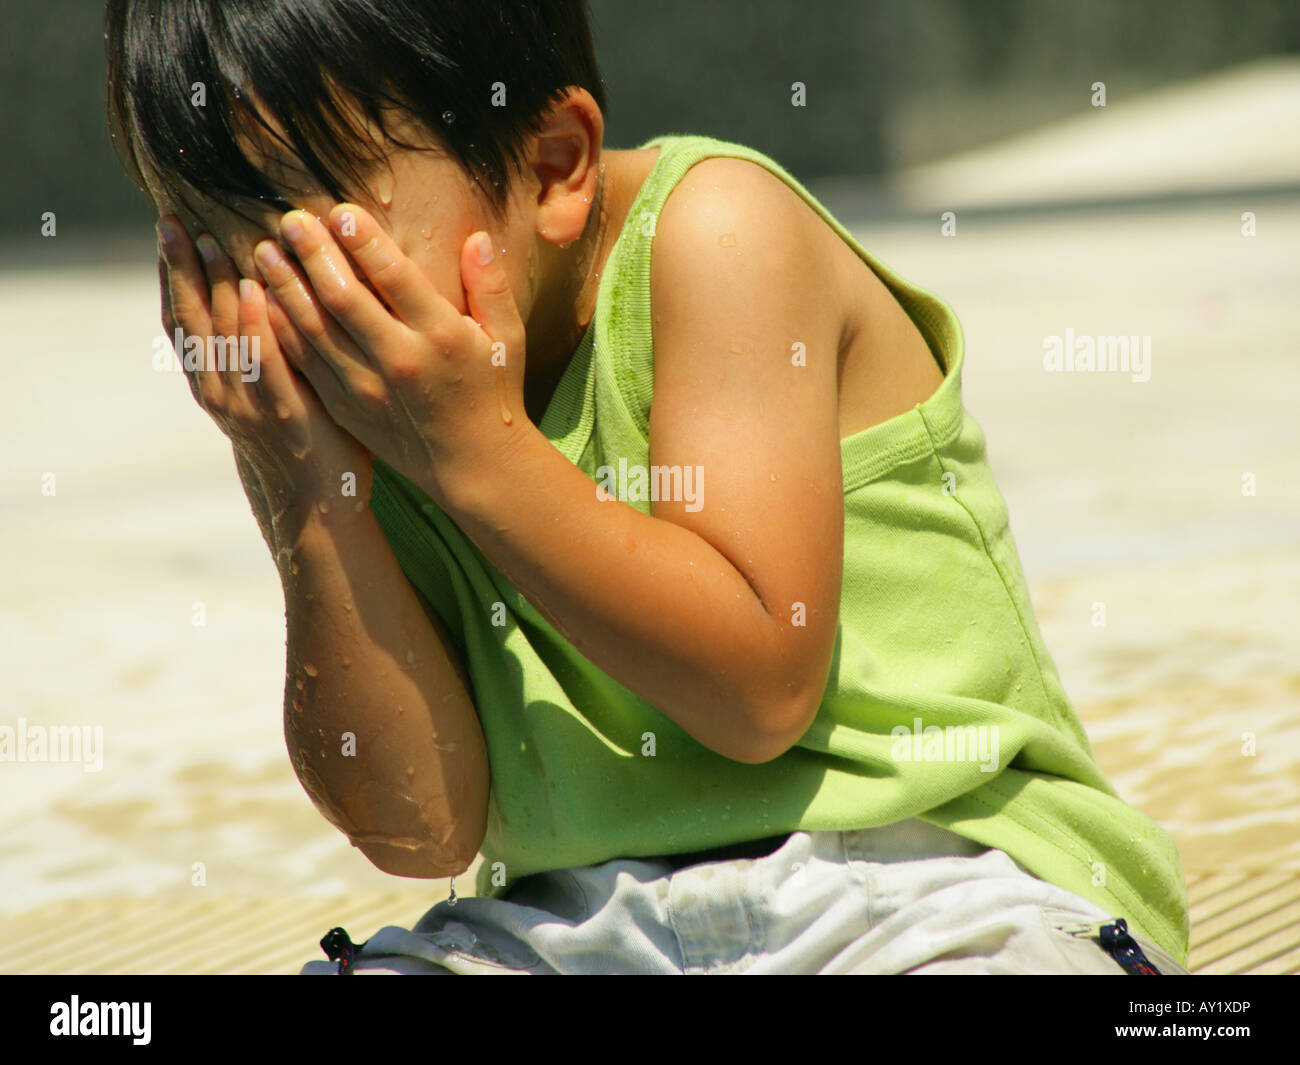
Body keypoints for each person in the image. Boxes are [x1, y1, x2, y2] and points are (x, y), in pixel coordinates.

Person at [105, 0, 1189, 974]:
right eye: (210, 242)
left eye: (323, 234)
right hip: (574, 923)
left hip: (920, 881)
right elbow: (418, 832)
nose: (277, 294)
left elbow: (755, 692)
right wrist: (309, 494)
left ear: (552, 166)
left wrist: (473, 451)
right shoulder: (334, 402)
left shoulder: (718, 234)